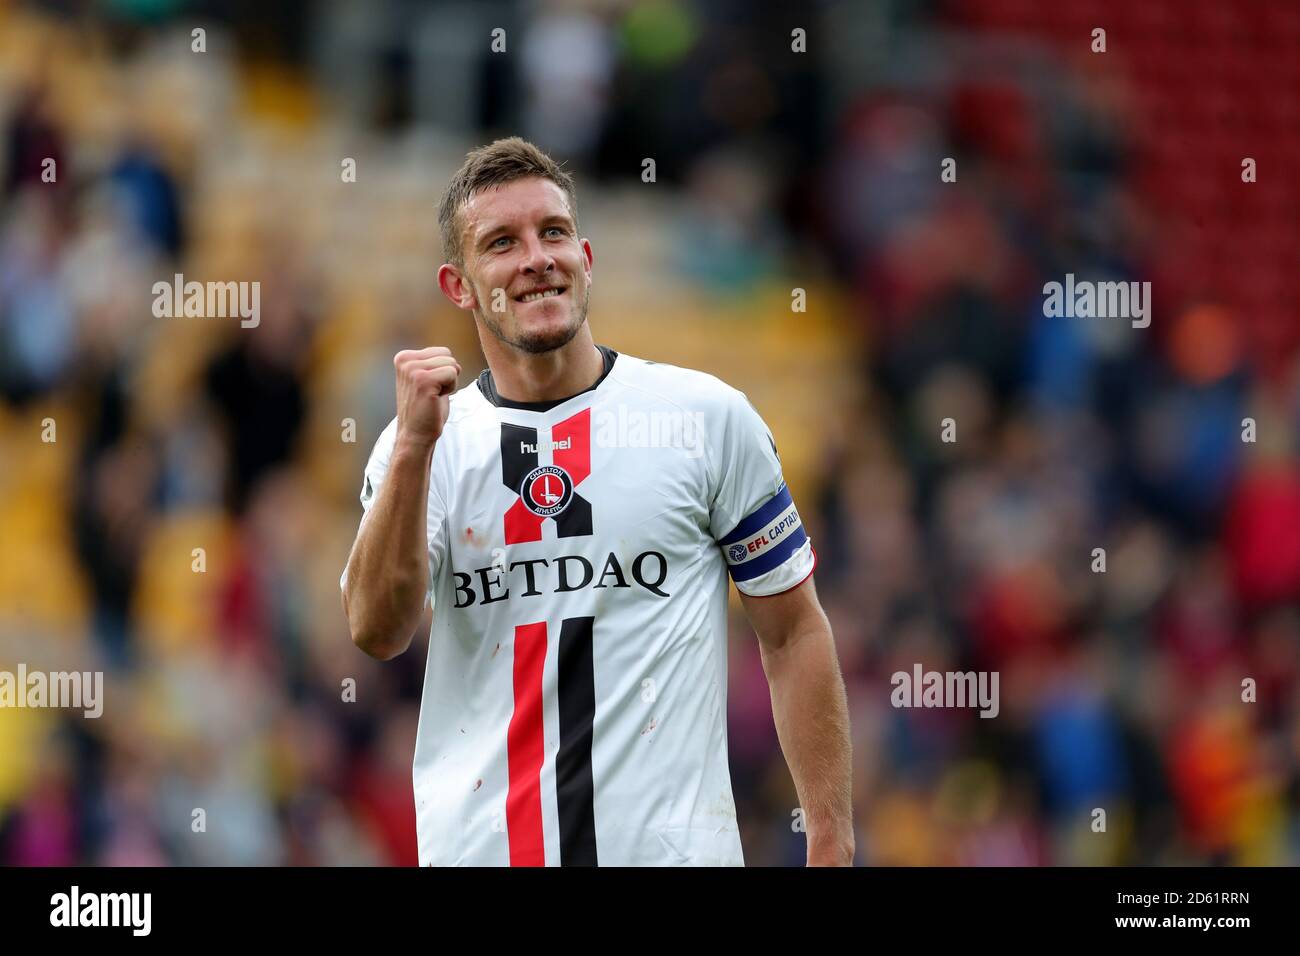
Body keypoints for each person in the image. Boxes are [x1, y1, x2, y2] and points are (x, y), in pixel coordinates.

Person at [340, 137, 853, 866]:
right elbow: (377, 630)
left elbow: (794, 633)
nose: (536, 258)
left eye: (553, 233)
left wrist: (830, 842)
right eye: (501, 243)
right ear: (457, 286)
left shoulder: (705, 419)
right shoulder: (421, 447)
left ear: (587, 256)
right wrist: (415, 449)